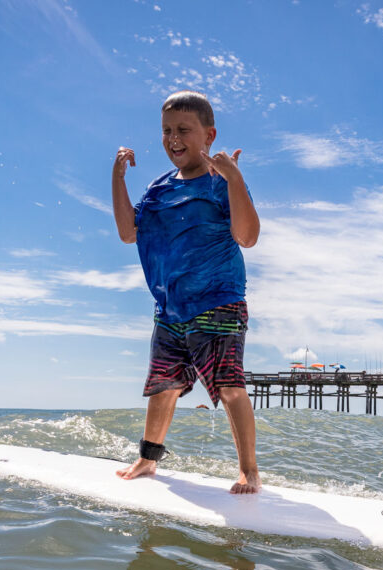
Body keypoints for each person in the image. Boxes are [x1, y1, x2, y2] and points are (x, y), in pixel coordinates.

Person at [111, 90, 261, 493]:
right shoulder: (159, 189)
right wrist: (118, 179)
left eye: (183, 130)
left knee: (230, 387)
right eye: (166, 131)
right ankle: (147, 458)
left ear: (209, 135)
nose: (173, 138)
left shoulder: (219, 183)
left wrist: (235, 179)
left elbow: (247, 238)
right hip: (171, 308)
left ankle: (249, 471)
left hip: (219, 303)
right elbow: (129, 233)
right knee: (163, 387)